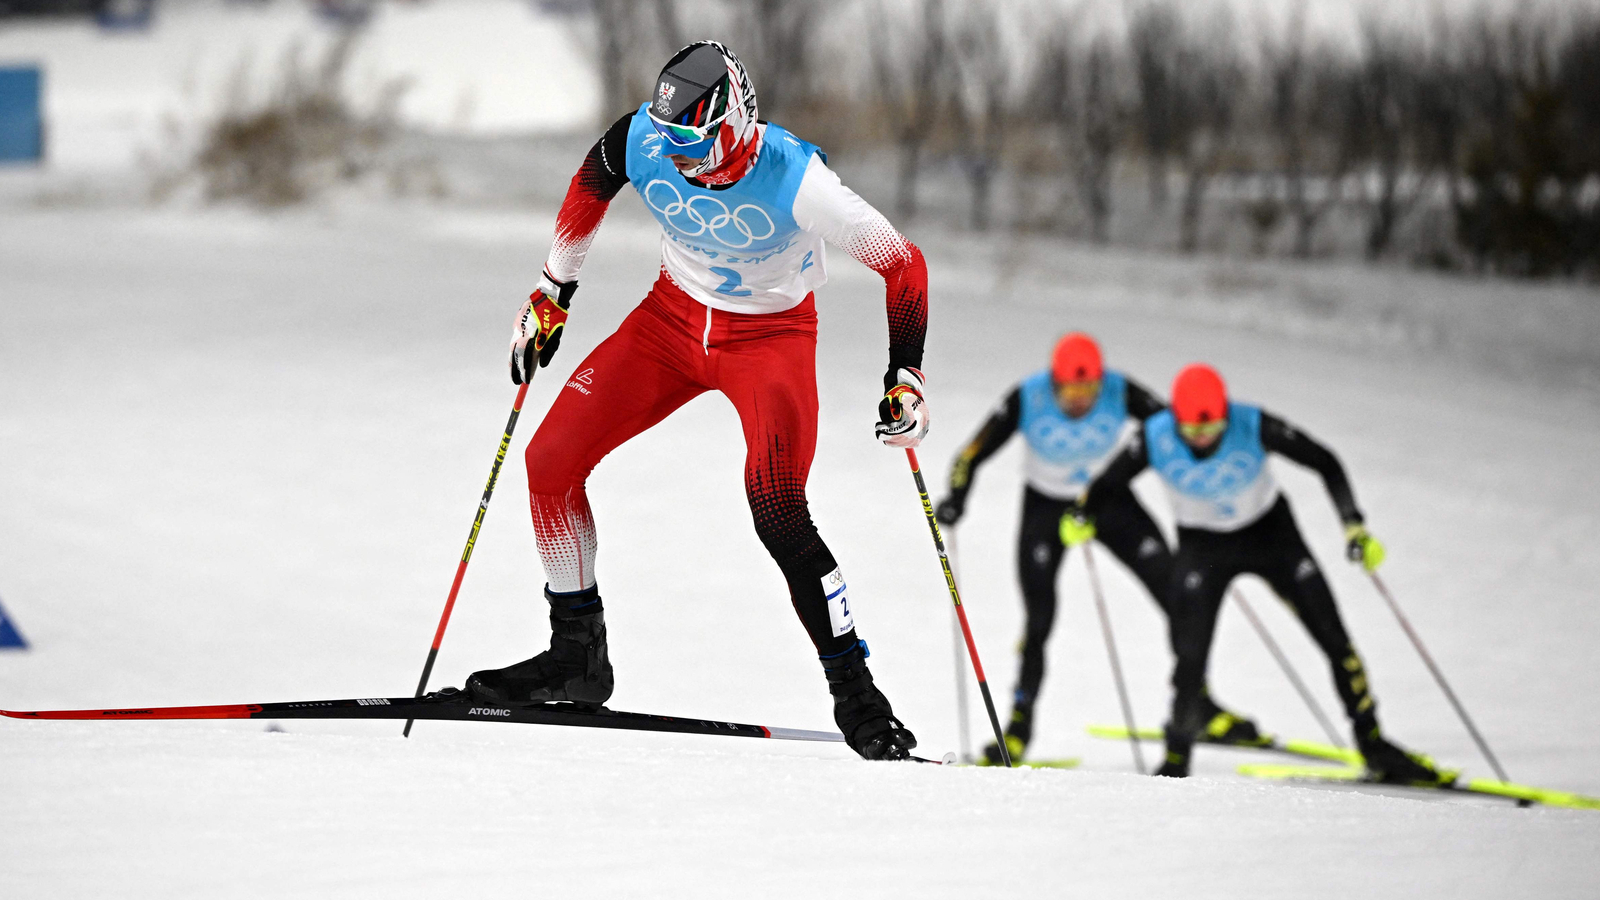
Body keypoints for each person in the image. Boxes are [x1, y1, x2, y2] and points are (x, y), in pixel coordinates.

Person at [460, 42, 932, 761]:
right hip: (668, 323)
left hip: (769, 339)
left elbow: (903, 264)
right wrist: (554, 289)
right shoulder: (645, 139)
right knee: (548, 462)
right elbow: (592, 184)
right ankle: (577, 654)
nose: (678, 157)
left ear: (735, 122)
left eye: (694, 142)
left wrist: (905, 376)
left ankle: (856, 692)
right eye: (669, 139)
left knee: (778, 509)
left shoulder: (798, 179)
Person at [1066, 363, 1443, 783]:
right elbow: (1107, 484)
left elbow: (1325, 461)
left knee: (1335, 639)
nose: (1203, 438)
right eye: (1191, 430)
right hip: (1203, 547)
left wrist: (1353, 524)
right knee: (1190, 657)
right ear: (1176, 420)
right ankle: (1176, 759)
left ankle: (1374, 746)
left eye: (1213, 428)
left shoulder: (1252, 423)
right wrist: (1083, 513)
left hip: (1271, 537)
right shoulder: (1154, 436)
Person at [934, 334, 1260, 766]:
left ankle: (1198, 707)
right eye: (1070, 390)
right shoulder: (1028, 397)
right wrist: (957, 498)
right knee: (1039, 618)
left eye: (1089, 389)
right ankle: (1017, 729)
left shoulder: (1119, 390)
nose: (1081, 400)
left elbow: (1174, 428)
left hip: (1110, 504)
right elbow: (970, 454)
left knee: (1176, 593)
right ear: (1054, 383)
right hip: (1047, 509)